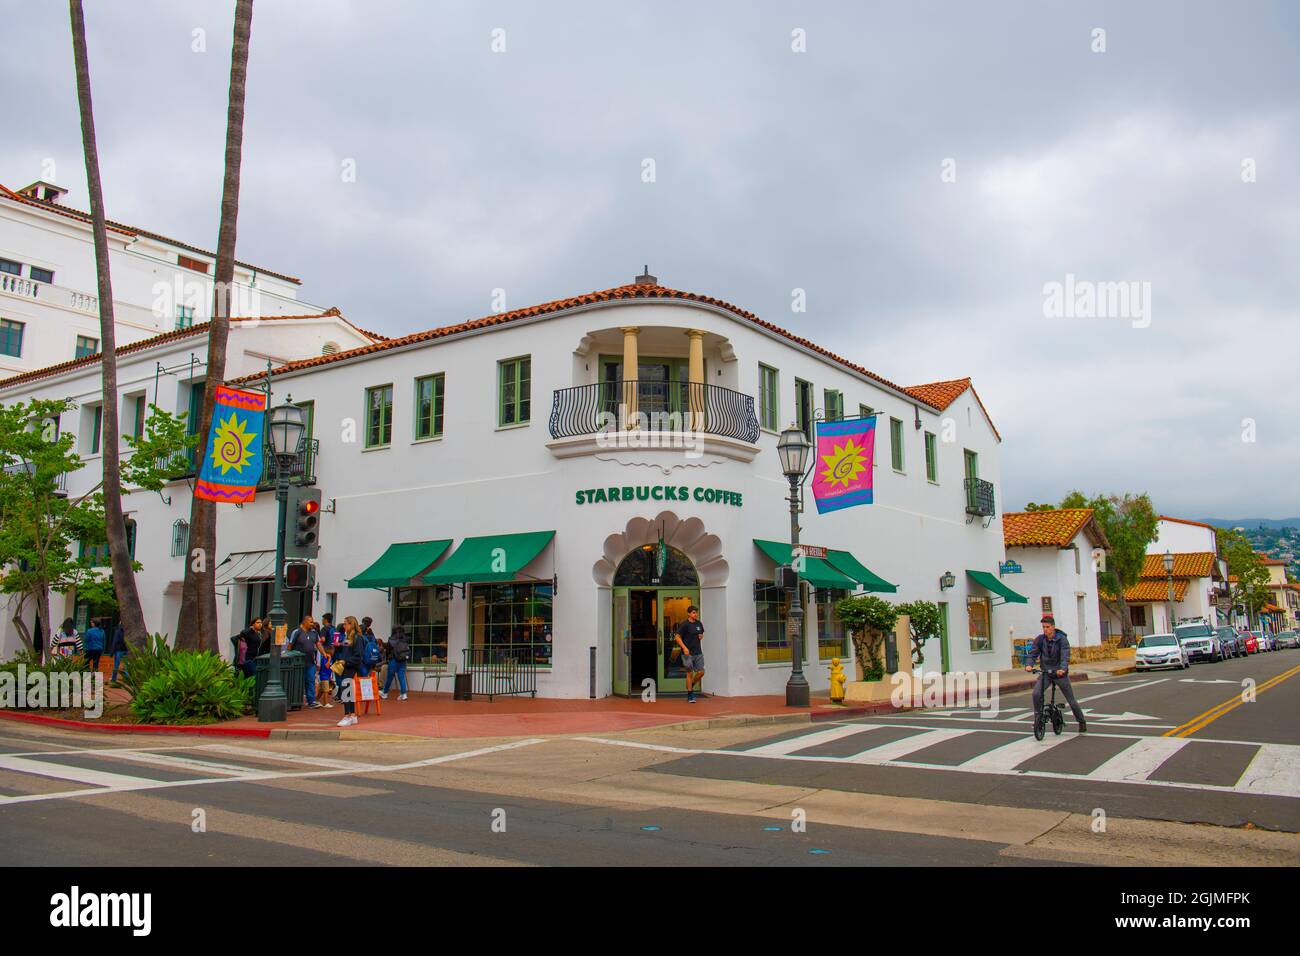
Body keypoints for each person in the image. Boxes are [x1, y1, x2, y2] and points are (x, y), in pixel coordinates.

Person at [1025, 614, 1087, 733]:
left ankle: (1081, 721)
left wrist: (1062, 669)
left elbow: (1065, 655)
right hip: (1046, 673)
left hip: (1059, 673)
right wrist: (1029, 664)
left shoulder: (1062, 639)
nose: (1045, 629)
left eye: (1047, 627)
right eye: (1043, 627)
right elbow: (1033, 654)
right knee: (1036, 694)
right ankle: (1038, 719)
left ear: (1053, 627)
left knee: (1071, 700)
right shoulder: (1040, 639)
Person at [334, 616, 364, 727]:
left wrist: (345, 662)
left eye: (346, 623)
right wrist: (338, 646)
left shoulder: (357, 638)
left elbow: (358, 656)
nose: (344, 626)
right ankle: (352, 715)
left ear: (351, 624)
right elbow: (345, 649)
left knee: (346, 689)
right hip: (347, 666)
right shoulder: (348, 637)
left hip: (351, 666)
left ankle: (348, 715)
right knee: (348, 690)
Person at [673, 605, 706, 703]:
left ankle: (691, 684)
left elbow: (701, 634)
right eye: (693, 612)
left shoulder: (699, 623)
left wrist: (701, 636)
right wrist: (684, 648)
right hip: (687, 653)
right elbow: (677, 637)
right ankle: (690, 695)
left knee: (701, 672)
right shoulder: (685, 624)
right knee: (689, 672)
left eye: (696, 612)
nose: (695, 614)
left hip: (698, 652)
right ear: (689, 613)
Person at [288, 616, 323, 708]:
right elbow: (290, 645)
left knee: (310, 681)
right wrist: (288, 657)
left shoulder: (314, 633)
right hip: (298, 663)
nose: (312, 624)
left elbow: (318, 644)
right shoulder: (297, 632)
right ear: (305, 622)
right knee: (297, 682)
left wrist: (324, 653)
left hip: (310, 661)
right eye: (311, 622)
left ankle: (311, 701)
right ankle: (295, 701)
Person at [380, 625, 410, 701]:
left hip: (393, 660)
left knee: (389, 677)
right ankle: (404, 694)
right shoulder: (404, 639)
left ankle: (385, 693)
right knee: (402, 677)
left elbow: (388, 650)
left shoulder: (391, 639)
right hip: (403, 660)